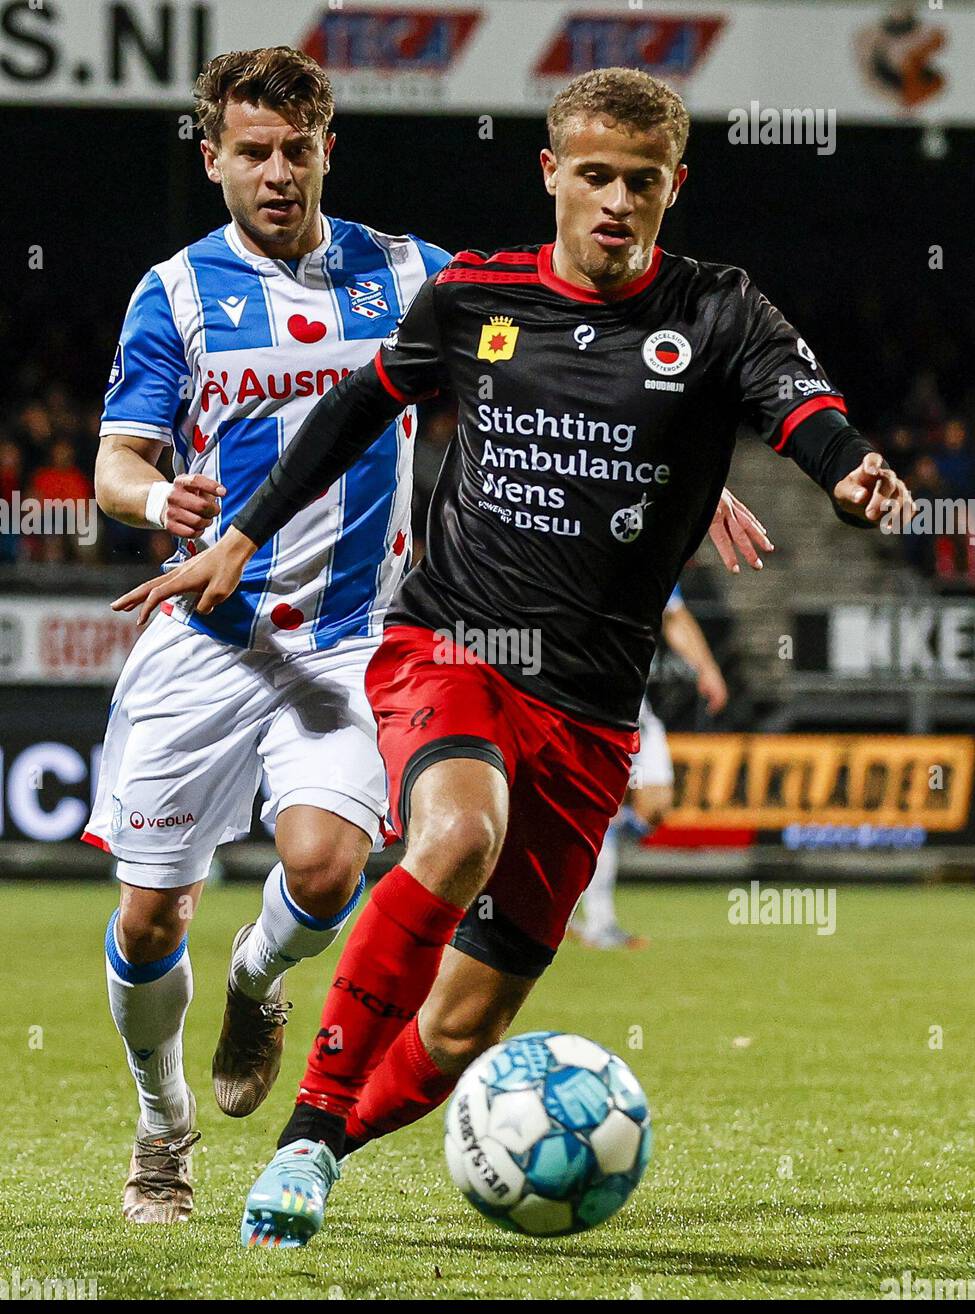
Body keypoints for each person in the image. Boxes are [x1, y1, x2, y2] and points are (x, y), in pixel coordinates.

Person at [114, 66, 913, 1249]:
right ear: (552, 173)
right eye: (592, 174)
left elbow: (801, 404)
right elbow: (349, 413)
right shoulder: (475, 294)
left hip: (593, 705)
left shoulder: (720, 308)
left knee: (456, 1031)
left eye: (641, 182)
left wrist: (845, 471)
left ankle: (325, 1144)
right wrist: (232, 532)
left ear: (672, 187)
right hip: (449, 645)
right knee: (449, 835)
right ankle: (284, 1134)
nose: (615, 201)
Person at [84, 45, 450, 1224]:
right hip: (206, 637)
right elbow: (113, 465)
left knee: (325, 864)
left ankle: (256, 978)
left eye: (299, 148)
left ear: (328, 148)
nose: (278, 170)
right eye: (253, 151)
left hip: (345, 639)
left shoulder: (405, 273)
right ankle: (161, 1125)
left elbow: (546, 345)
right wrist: (156, 502)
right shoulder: (176, 292)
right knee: (149, 920)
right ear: (214, 160)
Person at [572, 583, 730, 949]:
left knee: (654, 807)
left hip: (638, 708)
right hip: (591, 703)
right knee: (605, 811)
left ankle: (572, 879)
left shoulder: (650, 551)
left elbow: (674, 615)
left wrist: (706, 668)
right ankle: (600, 921)